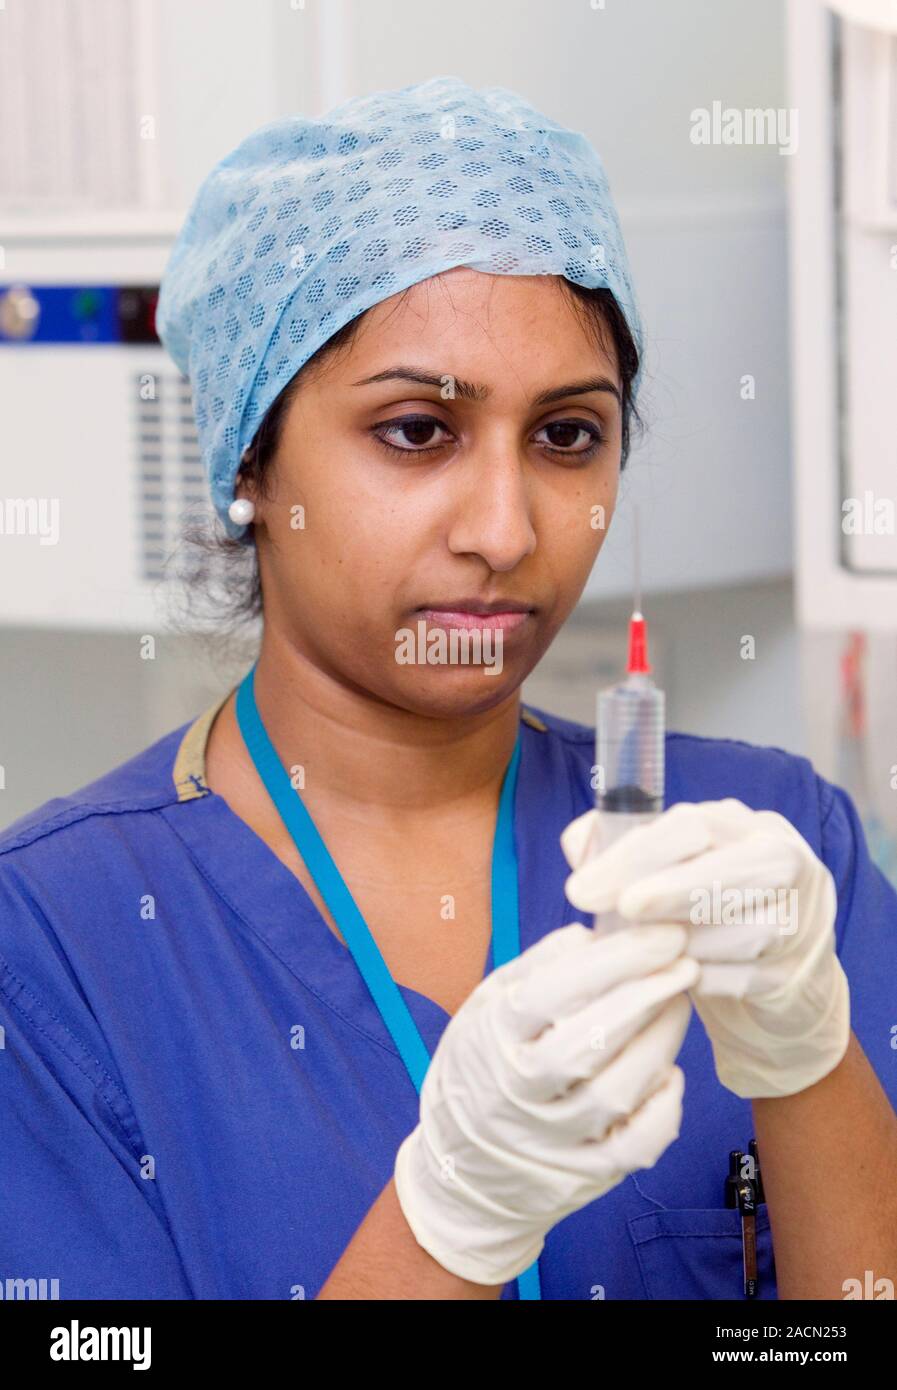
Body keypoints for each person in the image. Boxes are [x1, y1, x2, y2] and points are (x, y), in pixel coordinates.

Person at [1, 76, 896, 1302]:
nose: (505, 526)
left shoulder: (783, 858)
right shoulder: (56, 947)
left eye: (568, 435)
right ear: (252, 460)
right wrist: (450, 1218)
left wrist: (809, 1063)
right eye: (418, 430)